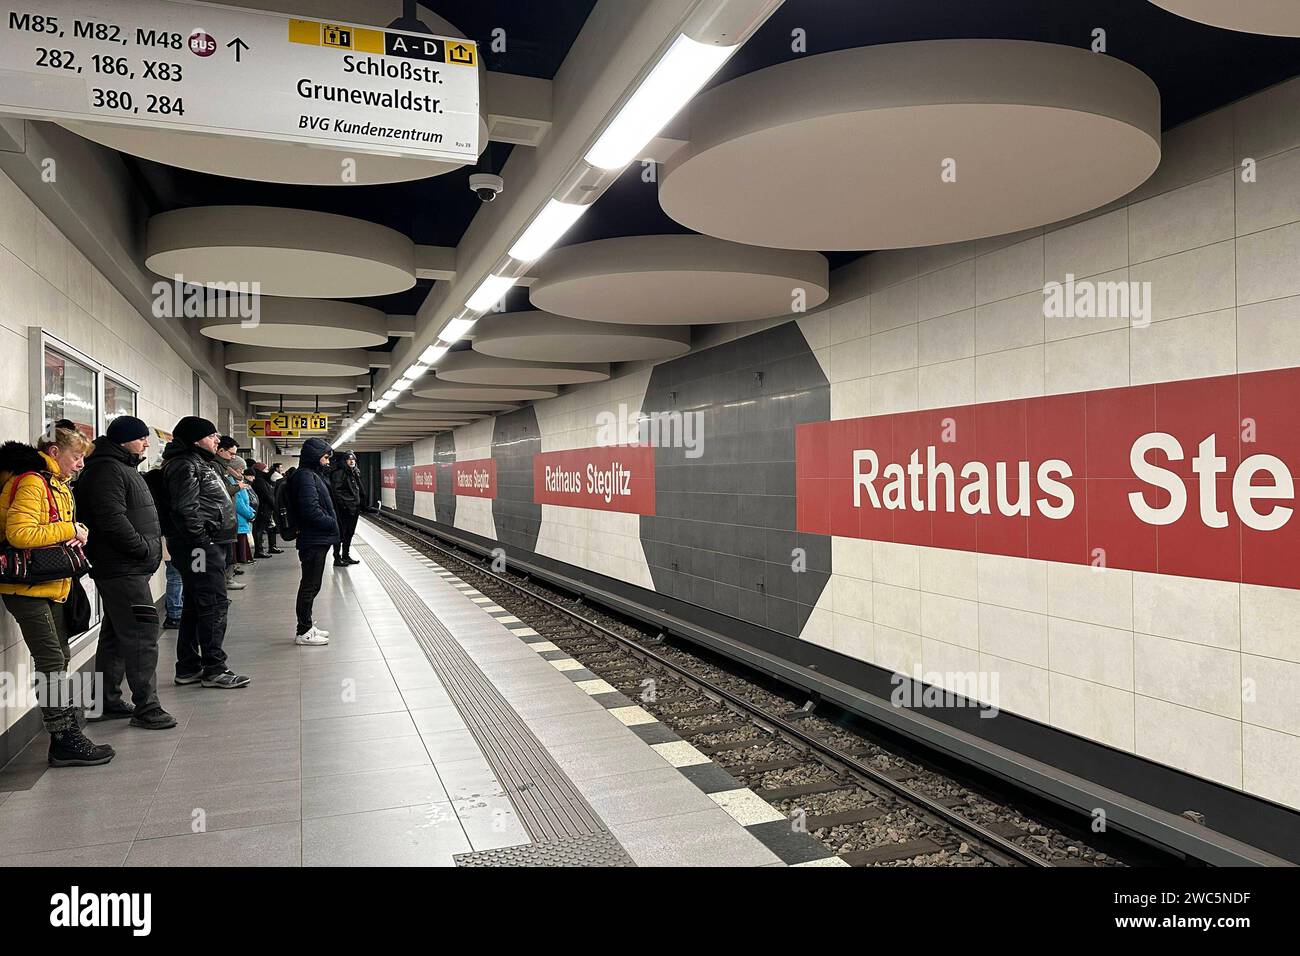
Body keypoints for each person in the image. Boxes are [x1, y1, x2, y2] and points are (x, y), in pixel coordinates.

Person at [0, 427, 114, 766]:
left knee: (59, 659)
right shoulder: (34, 481)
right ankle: (64, 738)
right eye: (76, 456)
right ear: (54, 451)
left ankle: (65, 733)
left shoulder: (57, 485)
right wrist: (72, 530)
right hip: (27, 588)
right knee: (51, 663)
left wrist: (79, 532)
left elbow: (52, 528)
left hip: (51, 585)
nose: (80, 464)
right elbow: (20, 534)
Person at [75, 416, 176, 730]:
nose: (147, 443)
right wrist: (143, 548)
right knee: (142, 634)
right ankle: (147, 707)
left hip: (123, 566)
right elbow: (112, 519)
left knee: (117, 634)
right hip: (122, 567)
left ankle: (106, 700)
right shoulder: (108, 470)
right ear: (124, 440)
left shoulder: (119, 467)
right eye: (142, 438)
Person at [160, 417, 249, 689]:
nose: (217, 440)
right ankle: (214, 668)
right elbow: (185, 509)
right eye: (212, 436)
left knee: (196, 605)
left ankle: (188, 667)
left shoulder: (198, 463)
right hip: (199, 548)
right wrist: (204, 544)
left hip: (201, 545)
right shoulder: (185, 465)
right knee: (213, 603)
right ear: (196, 439)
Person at [288, 437, 338, 646]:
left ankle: (307, 626)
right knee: (310, 586)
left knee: (312, 585)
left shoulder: (310, 475)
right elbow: (310, 511)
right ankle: (304, 631)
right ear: (315, 457)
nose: (327, 462)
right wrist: (331, 523)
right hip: (314, 538)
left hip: (315, 538)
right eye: (325, 457)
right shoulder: (306, 477)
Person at [328, 450, 363, 567]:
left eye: (353, 459)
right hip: (344, 509)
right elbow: (336, 491)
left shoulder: (354, 472)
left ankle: (345, 556)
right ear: (345, 461)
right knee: (340, 534)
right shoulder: (340, 473)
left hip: (353, 508)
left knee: (349, 533)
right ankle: (337, 558)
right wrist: (343, 506)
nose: (352, 461)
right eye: (349, 459)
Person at [230, 459, 255, 566]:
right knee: (238, 543)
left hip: (242, 518)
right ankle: (235, 566)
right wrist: (250, 513)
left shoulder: (238, 480)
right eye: (240, 469)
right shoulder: (233, 482)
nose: (242, 471)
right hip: (239, 518)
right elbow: (238, 503)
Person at [250, 464, 278, 557]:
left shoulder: (262, 480)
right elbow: (267, 495)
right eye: (265, 469)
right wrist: (275, 506)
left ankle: (268, 548)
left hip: (265, 509)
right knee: (259, 530)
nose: (267, 471)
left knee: (266, 529)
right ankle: (259, 551)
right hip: (262, 509)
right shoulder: (259, 481)